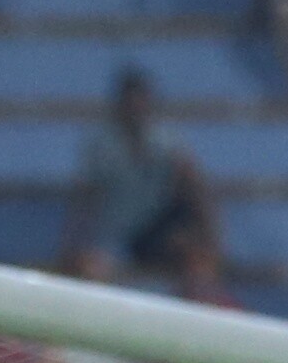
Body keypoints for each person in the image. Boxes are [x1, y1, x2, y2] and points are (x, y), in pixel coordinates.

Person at [60, 66, 218, 286]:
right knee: (91, 270)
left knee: (195, 259)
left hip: (154, 233)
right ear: (120, 106)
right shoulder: (101, 147)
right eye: (130, 104)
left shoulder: (167, 143)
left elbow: (195, 190)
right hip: (114, 236)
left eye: (140, 103)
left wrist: (212, 238)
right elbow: (85, 201)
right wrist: (71, 245)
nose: (135, 109)